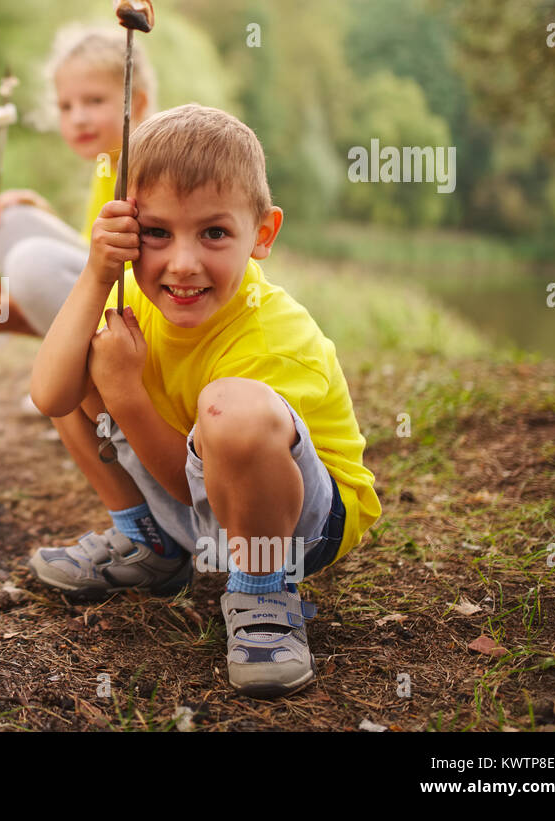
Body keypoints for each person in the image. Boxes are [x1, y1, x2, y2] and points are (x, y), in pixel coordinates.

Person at [26, 103, 381, 698]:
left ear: (262, 234)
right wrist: (94, 275)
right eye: (157, 233)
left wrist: (127, 395)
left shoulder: (275, 338)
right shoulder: (134, 298)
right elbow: (51, 394)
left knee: (230, 410)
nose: (182, 265)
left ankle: (264, 594)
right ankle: (151, 544)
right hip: (198, 505)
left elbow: (198, 488)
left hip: (297, 526)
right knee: (76, 356)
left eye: (214, 233)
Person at [0, 25, 155, 336]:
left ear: (137, 104)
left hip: (143, 316)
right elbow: (94, 255)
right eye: (66, 107)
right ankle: (67, 353)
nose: (78, 118)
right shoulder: (106, 165)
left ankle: (94, 371)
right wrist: (44, 213)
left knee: (29, 263)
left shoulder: (150, 166)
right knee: (12, 220)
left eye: (95, 101)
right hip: (109, 297)